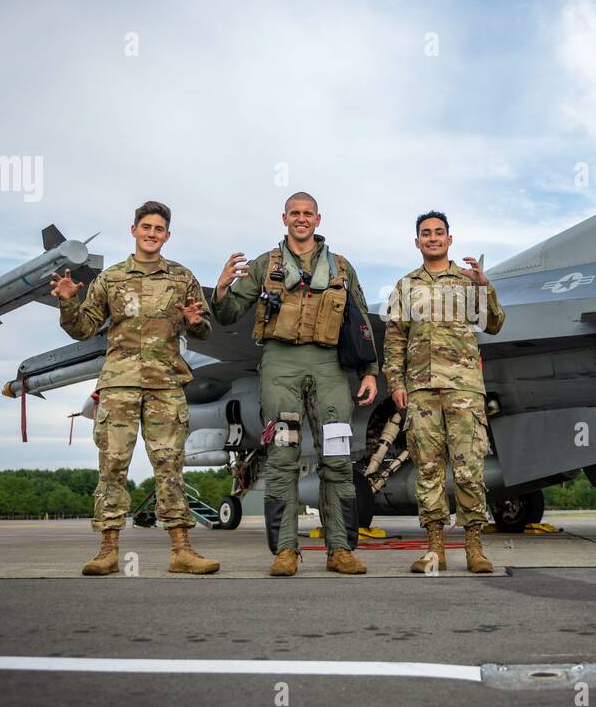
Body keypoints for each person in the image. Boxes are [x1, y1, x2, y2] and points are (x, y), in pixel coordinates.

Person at [51, 200, 219, 577]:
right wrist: (67, 303)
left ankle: (182, 551)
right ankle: (107, 551)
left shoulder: (182, 278)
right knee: (111, 467)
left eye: (159, 229)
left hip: (166, 386)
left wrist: (195, 322)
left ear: (167, 235)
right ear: (134, 230)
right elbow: (83, 328)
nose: (151, 233)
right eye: (146, 226)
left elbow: (203, 329)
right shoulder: (110, 278)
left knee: (170, 467)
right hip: (119, 384)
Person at [213, 191, 377, 576]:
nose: (301, 219)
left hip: (329, 368)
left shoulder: (340, 267)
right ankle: (285, 551)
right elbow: (228, 313)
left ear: (318, 220)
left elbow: (360, 320)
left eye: (308, 214)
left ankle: (340, 550)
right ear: (284, 218)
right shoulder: (264, 266)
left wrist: (370, 369)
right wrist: (221, 288)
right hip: (280, 366)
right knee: (283, 457)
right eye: (294, 213)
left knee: (338, 457)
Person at [383, 210, 504, 573]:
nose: (432, 238)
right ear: (417, 241)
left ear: (450, 239)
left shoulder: (468, 282)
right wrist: (396, 384)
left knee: (469, 469)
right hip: (420, 391)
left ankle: (474, 549)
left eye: (439, 233)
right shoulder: (406, 287)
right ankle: (435, 549)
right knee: (428, 470)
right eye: (425, 233)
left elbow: (495, 324)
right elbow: (394, 341)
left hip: (463, 389)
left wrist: (485, 286)